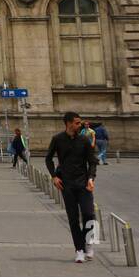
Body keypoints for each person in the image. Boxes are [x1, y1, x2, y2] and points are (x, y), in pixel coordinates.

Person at [45, 111, 99, 263]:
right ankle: (79, 250)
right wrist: (54, 176)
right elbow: (48, 159)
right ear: (68, 123)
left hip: (84, 183)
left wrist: (91, 178)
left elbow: (93, 161)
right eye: (77, 123)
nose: (79, 125)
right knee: (73, 218)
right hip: (66, 184)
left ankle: (90, 242)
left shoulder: (85, 140)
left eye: (79, 122)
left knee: (89, 214)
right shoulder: (57, 139)